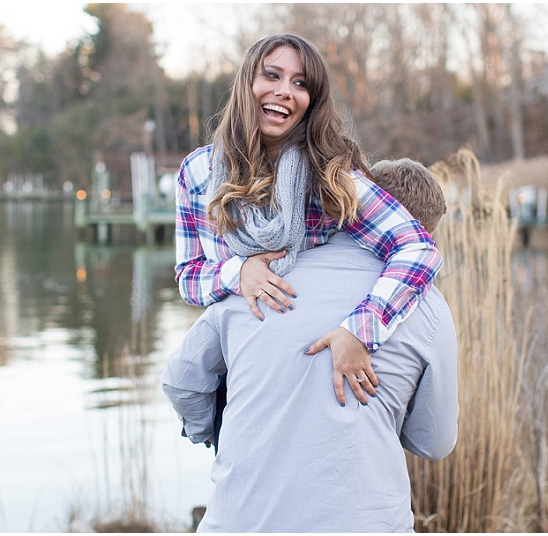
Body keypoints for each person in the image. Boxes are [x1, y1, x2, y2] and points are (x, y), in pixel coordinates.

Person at [162, 158, 458, 532]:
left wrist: (216, 430)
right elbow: (434, 442)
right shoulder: (428, 306)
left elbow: (181, 381)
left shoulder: (256, 278)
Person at [173, 34, 442, 406]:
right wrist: (239, 272)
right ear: (247, 83)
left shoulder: (329, 176)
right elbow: (188, 278)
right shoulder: (197, 172)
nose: (285, 91)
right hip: (238, 376)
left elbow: (419, 249)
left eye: (300, 84)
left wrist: (361, 332)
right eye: (272, 75)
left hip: (309, 375)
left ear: (311, 102)